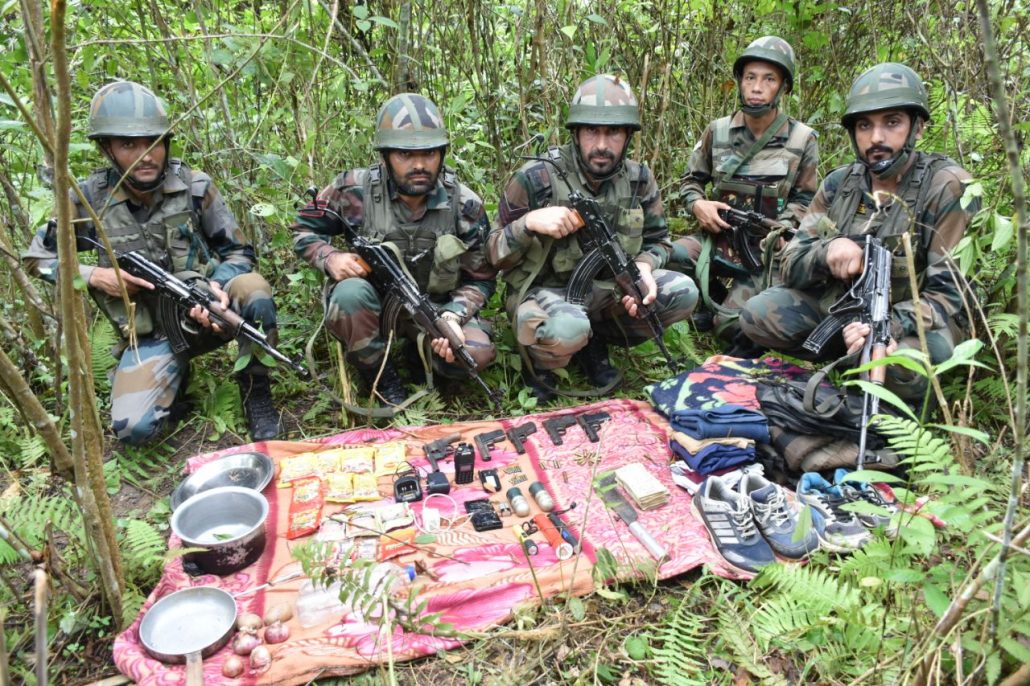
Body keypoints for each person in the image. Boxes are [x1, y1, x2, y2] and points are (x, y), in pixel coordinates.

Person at [23, 81, 282, 444]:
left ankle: (256, 390)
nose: (146, 155)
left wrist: (217, 286)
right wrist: (94, 275)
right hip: (152, 333)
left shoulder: (193, 186)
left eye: (153, 142)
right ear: (107, 149)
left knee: (254, 290)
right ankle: (175, 382)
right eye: (129, 145)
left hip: (209, 313)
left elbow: (239, 252)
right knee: (134, 430)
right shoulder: (89, 202)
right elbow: (37, 258)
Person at [739, 63, 978, 402]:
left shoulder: (947, 186)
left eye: (891, 123)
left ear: (917, 127)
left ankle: (874, 369)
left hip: (916, 322)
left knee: (901, 367)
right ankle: (847, 359)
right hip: (842, 307)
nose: (876, 138)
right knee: (758, 314)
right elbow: (789, 264)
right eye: (865, 125)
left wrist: (887, 328)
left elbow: (949, 295)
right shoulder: (839, 184)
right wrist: (827, 252)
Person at [488, 74, 697, 402]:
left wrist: (643, 267)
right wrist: (528, 223)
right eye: (591, 131)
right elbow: (491, 254)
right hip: (544, 293)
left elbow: (659, 240)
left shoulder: (639, 180)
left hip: (605, 294)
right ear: (576, 133)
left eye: (613, 132)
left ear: (627, 135)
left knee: (682, 291)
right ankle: (541, 362)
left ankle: (594, 344)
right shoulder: (536, 178)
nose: (601, 144)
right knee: (566, 328)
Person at [292, 93, 497, 407]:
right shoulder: (353, 190)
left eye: (429, 153)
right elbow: (304, 228)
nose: (418, 164)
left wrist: (454, 316)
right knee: (348, 295)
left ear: (442, 153)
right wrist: (329, 258)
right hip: (374, 310)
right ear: (386, 156)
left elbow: (481, 279)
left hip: (436, 309)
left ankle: (425, 358)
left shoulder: (464, 204)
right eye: (405, 154)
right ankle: (379, 375)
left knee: (475, 354)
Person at [670, 36, 819, 346]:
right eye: (750, 77)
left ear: (784, 88)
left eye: (768, 79)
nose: (756, 87)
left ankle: (726, 313)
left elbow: (807, 200)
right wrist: (698, 205)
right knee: (671, 256)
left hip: (764, 254)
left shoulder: (802, 139)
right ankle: (713, 300)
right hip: (720, 241)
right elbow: (690, 181)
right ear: (739, 82)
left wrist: (780, 232)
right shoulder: (718, 131)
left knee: (732, 330)